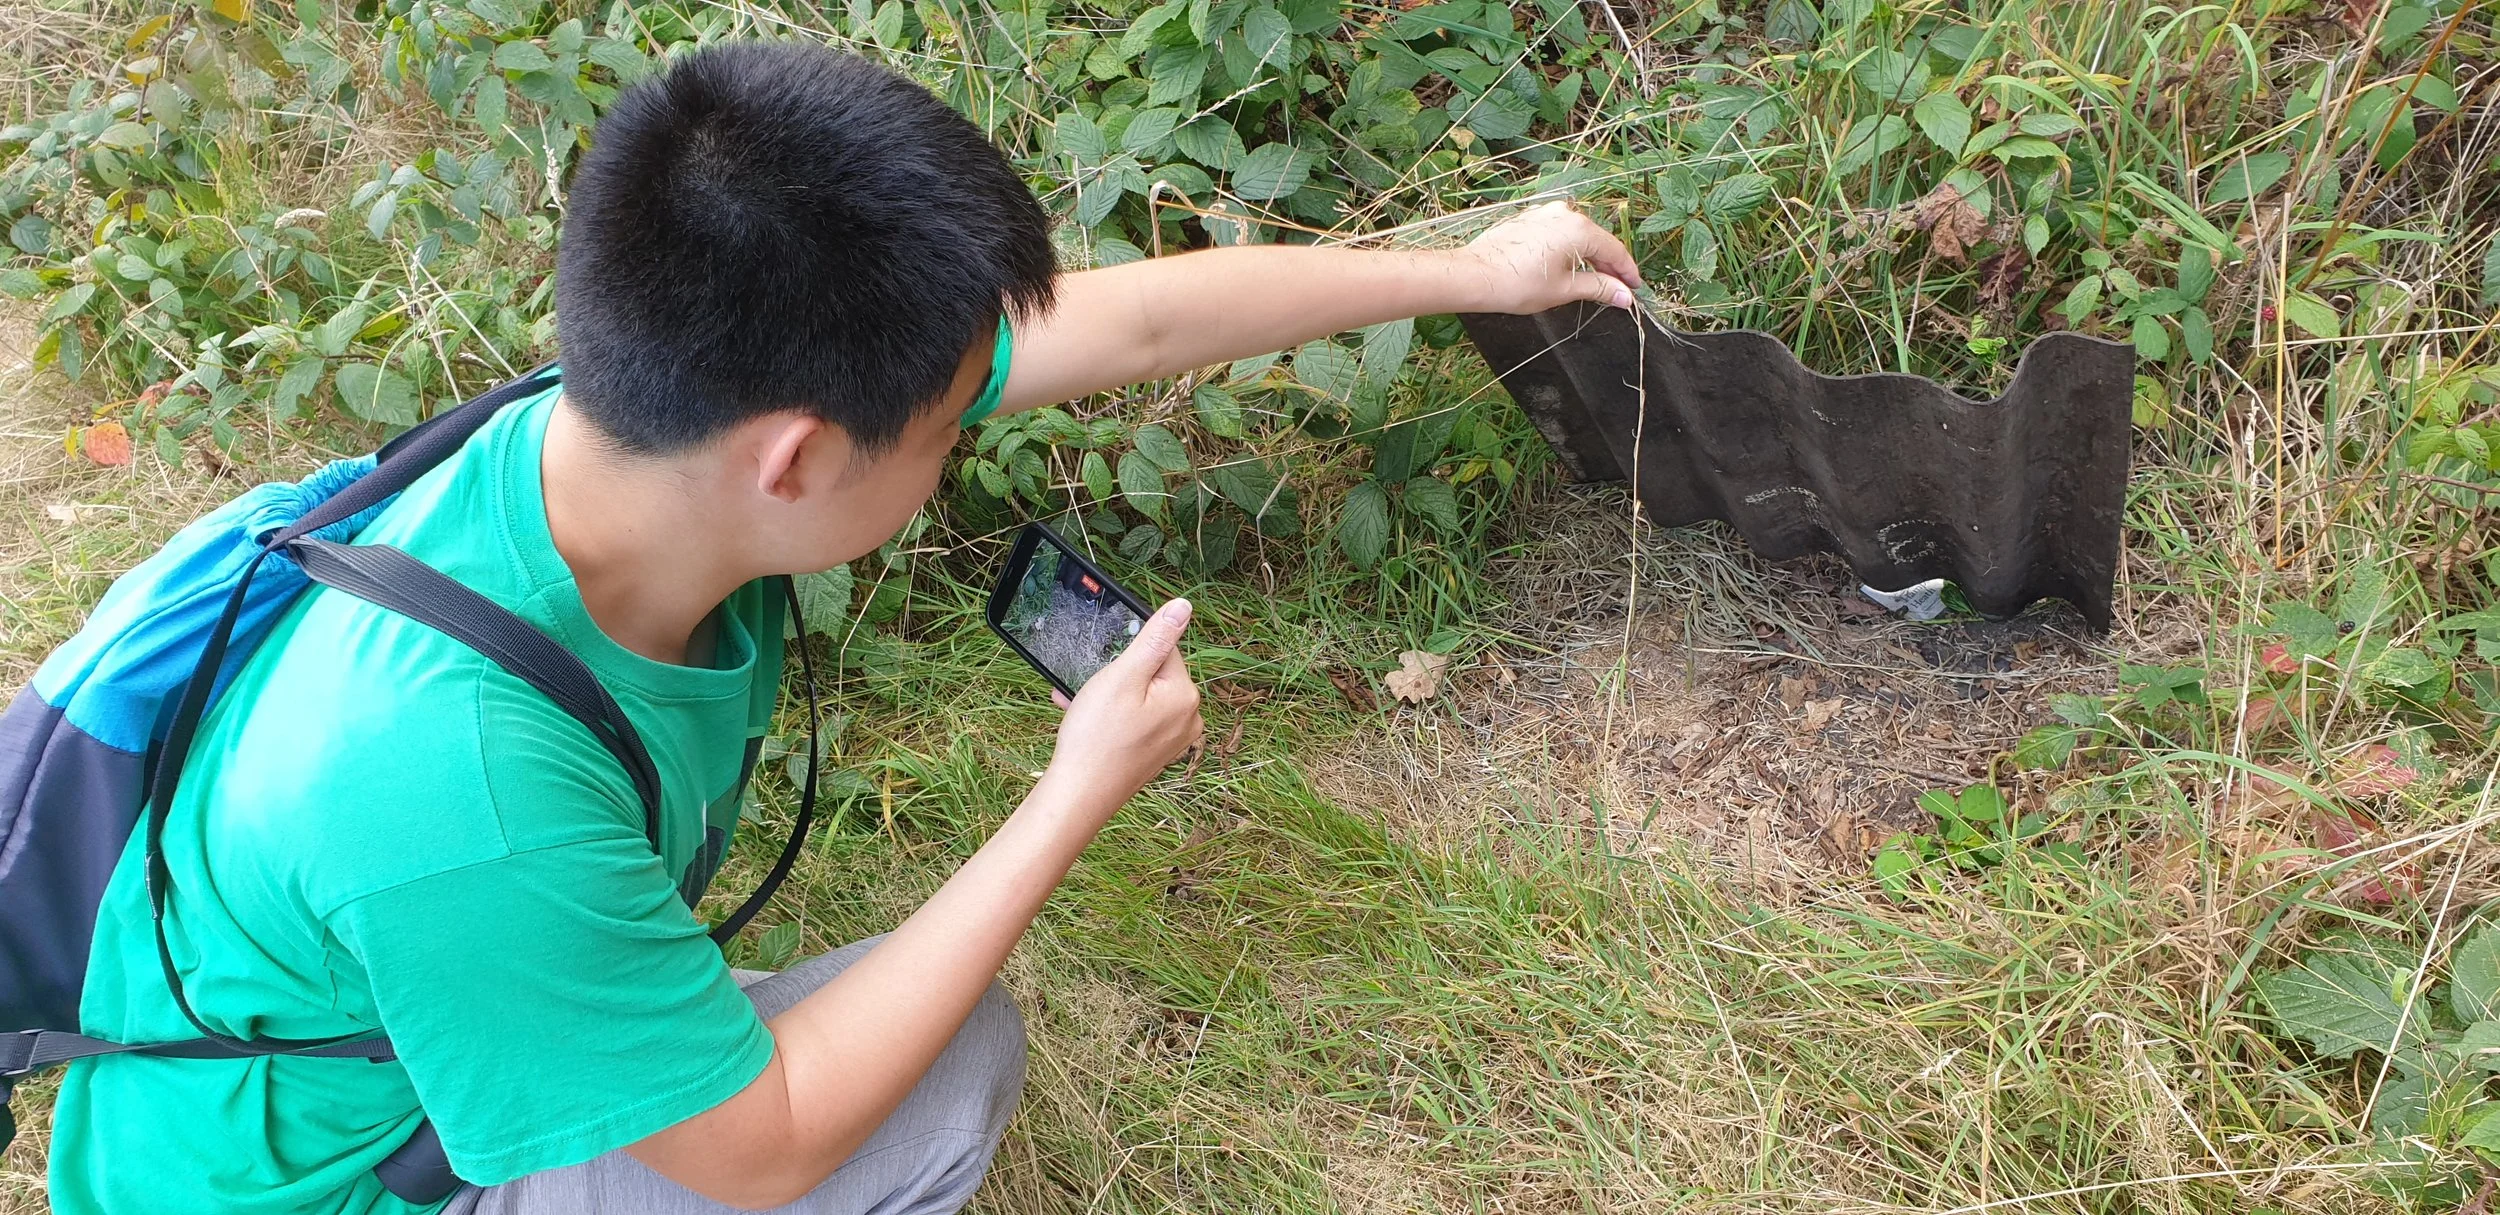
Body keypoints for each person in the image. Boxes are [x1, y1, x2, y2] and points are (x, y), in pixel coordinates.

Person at [44, 38, 1644, 1215]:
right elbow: (776, 1139)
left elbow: (1131, 322)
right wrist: (1074, 791)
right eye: (950, 432)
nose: (965, 443)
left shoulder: (620, 422)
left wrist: (1472, 273)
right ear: (797, 458)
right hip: (328, 1187)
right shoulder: (454, 789)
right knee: (937, 1088)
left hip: (393, 1030)